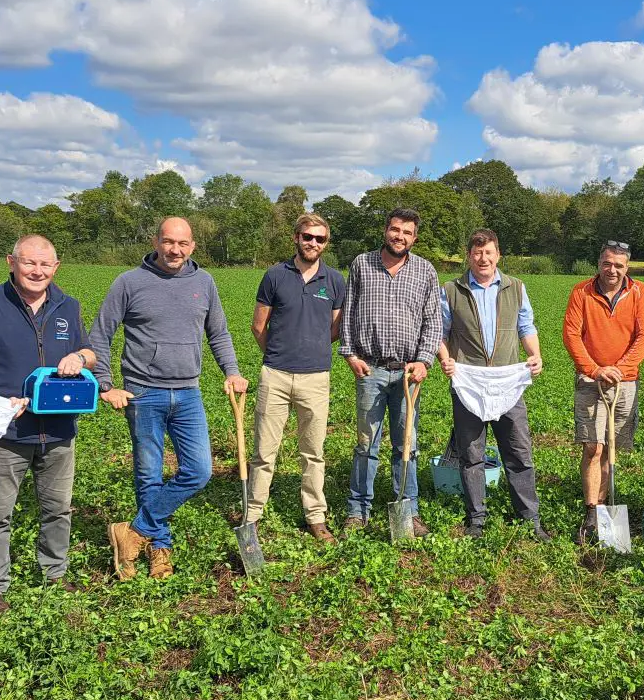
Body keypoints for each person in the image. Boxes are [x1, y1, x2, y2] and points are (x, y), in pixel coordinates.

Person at [90, 217, 248, 580]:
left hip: (189, 392)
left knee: (199, 470)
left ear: (193, 245)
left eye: (183, 243)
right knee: (149, 474)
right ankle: (160, 547)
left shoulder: (204, 282)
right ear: (156, 241)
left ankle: (132, 531)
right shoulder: (129, 282)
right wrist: (105, 384)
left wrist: (232, 371)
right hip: (143, 392)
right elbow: (100, 334)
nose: (175, 250)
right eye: (168, 242)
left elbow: (219, 333)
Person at [0, 234, 97, 614]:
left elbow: (90, 351)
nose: (37, 271)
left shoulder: (68, 306)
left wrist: (80, 358)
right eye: (29, 263)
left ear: (56, 267)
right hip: (4, 433)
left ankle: (54, 572)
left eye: (45, 264)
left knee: (58, 508)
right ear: (11, 262)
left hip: (58, 430)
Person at [436, 229, 550, 541]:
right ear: (469, 256)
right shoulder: (451, 289)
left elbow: (526, 325)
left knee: (519, 453)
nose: (483, 258)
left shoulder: (516, 287)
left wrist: (535, 354)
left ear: (498, 254)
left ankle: (530, 519)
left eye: (488, 253)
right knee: (471, 454)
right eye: (477, 253)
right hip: (469, 383)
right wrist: (445, 358)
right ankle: (476, 520)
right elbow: (441, 332)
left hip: (507, 382)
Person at [339, 208, 442, 536]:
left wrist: (425, 361)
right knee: (365, 443)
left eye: (407, 232)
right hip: (370, 369)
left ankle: (408, 509)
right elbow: (348, 311)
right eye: (395, 230)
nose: (400, 236)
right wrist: (349, 353)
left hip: (408, 373)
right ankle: (358, 510)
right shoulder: (361, 264)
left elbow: (433, 320)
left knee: (406, 443)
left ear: (415, 238)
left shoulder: (425, 270)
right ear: (386, 230)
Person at [248, 214, 346, 543]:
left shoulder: (333, 280)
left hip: (316, 377)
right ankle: (253, 513)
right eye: (307, 236)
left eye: (319, 239)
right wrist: (277, 353)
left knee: (313, 451)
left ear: (326, 243)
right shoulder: (275, 275)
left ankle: (315, 516)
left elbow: (335, 328)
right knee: (264, 450)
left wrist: (311, 348)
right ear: (296, 237)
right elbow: (259, 326)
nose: (312, 243)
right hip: (274, 374)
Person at [563, 240, 644, 545]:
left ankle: (607, 508)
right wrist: (595, 369)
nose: (612, 270)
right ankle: (592, 510)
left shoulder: (640, 292)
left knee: (613, 446)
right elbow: (572, 335)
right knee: (593, 446)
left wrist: (619, 368)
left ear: (627, 267)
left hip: (625, 381)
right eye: (607, 263)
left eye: (618, 265)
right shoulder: (582, 292)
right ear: (599, 264)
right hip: (591, 380)